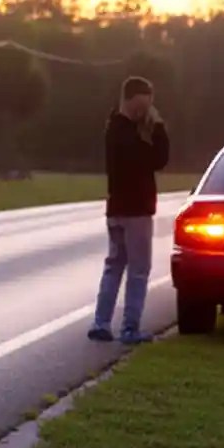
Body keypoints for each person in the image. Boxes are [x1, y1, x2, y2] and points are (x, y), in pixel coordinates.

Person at [88, 76, 170, 344]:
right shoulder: (126, 134)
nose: (145, 111)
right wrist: (157, 126)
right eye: (143, 105)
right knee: (138, 269)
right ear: (131, 99)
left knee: (114, 265)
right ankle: (129, 328)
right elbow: (158, 158)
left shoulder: (114, 128)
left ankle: (101, 322)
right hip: (135, 210)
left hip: (117, 209)